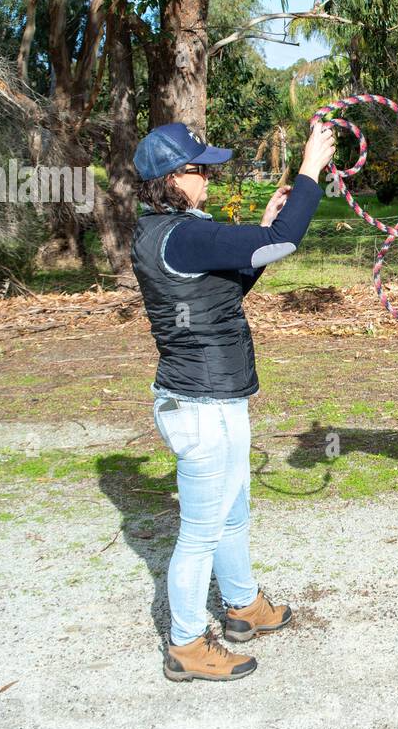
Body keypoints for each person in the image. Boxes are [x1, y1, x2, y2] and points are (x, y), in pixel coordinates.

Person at [129, 119, 335, 682]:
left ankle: (242, 606)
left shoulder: (166, 233)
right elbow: (288, 242)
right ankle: (187, 645)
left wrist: (264, 228)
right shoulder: (183, 234)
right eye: (201, 170)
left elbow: (227, 286)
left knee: (233, 511)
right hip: (201, 404)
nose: (209, 179)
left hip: (213, 396)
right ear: (173, 179)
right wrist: (310, 168)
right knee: (200, 529)